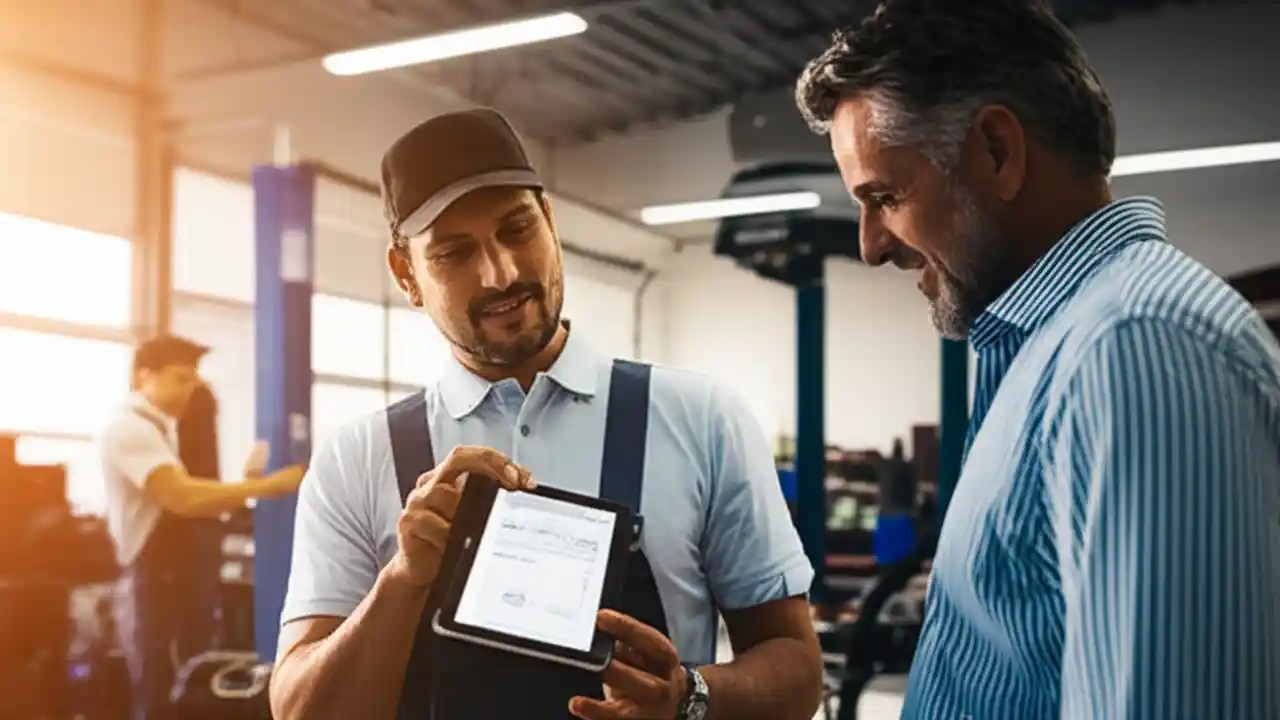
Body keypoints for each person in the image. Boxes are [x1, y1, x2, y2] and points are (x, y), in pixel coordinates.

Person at [796, 0, 1280, 717]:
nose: (870, 245)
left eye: (886, 196)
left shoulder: (1134, 347)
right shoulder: (1054, 350)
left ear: (998, 152)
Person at [269, 108, 824, 720]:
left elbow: (798, 672)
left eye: (516, 229)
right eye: (454, 253)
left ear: (550, 222)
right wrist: (402, 579)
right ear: (407, 275)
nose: (501, 274)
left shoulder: (702, 421)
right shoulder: (356, 459)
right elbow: (300, 711)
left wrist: (687, 697)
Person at [99, 335, 306, 719]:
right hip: (154, 579)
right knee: (162, 689)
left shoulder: (161, 429)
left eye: (193, 380)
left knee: (188, 683)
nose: (190, 390)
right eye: (180, 379)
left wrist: (243, 487)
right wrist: (273, 485)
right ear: (144, 376)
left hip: (173, 576)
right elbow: (181, 496)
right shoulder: (130, 428)